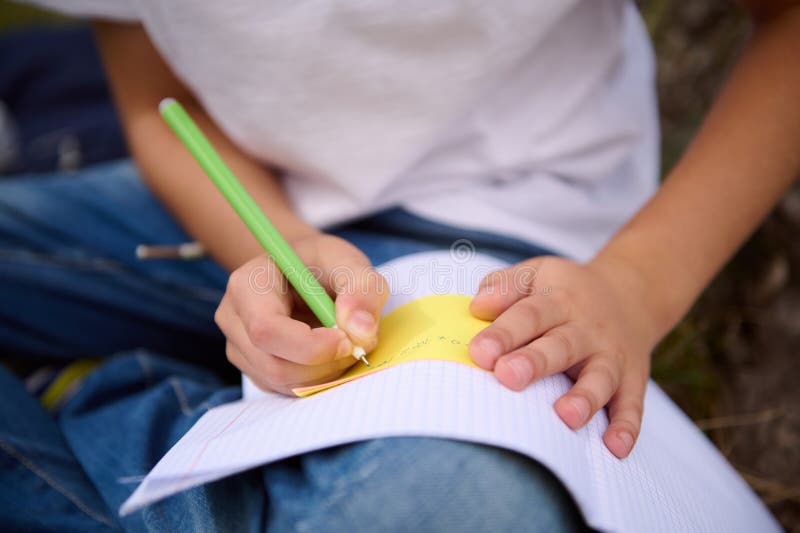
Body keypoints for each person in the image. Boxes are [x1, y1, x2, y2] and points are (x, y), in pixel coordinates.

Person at [1, 0, 798, 531]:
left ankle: (103, 405)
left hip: (503, 236)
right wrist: (270, 247)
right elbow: (158, 103)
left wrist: (636, 284)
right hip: (247, 209)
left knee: (456, 504)